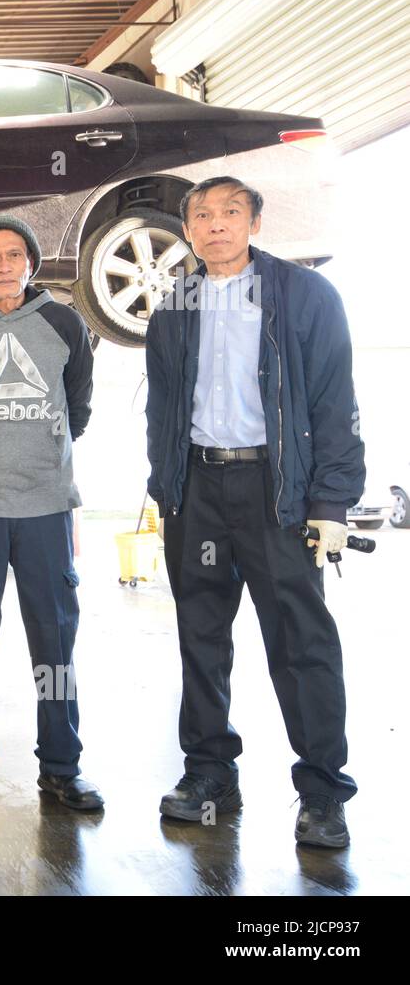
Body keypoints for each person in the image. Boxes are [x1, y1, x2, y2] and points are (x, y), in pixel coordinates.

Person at [145, 176, 364, 847]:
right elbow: (163, 407)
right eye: (202, 215)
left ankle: (323, 793)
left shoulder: (304, 297)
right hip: (198, 491)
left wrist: (331, 501)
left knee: (301, 643)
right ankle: (210, 770)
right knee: (201, 638)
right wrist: (167, 486)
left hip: (276, 491)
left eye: (231, 212)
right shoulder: (174, 305)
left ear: (255, 223)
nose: (216, 224)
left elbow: (335, 406)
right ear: (187, 230)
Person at [0, 215, 102, 811]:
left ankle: (61, 766)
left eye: (14, 255)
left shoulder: (64, 324)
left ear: (29, 263)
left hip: (45, 508)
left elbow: (78, 407)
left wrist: (38, 453)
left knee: (55, 639)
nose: (4, 266)